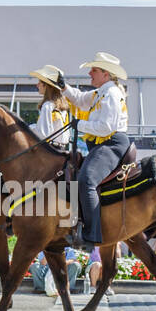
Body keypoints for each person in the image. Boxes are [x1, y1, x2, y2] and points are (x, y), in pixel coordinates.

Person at [62, 52, 130, 249]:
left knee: (86, 180)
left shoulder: (111, 93)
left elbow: (107, 127)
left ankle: (91, 237)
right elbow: (80, 99)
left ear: (106, 74)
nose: (90, 73)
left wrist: (79, 125)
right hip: (103, 144)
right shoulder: (101, 92)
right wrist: (63, 86)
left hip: (111, 144)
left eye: (95, 70)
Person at [29, 64, 74, 151]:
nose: (37, 85)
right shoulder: (61, 106)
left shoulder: (47, 106)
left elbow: (42, 134)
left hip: (50, 151)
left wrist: (28, 129)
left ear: (47, 86)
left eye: (40, 82)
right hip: (62, 149)